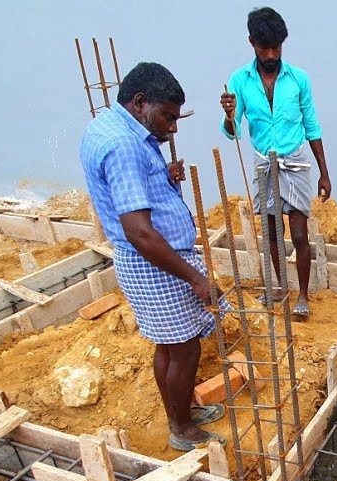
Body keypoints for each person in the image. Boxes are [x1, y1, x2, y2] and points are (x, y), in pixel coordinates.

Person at [79, 61, 229, 451]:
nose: (173, 127)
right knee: (185, 348)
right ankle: (182, 429)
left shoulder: (109, 127)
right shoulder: (123, 145)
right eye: (167, 117)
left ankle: (180, 413)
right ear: (140, 103)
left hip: (153, 260)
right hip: (154, 262)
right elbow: (139, 231)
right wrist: (195, 278)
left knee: (170, 345)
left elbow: (130, 193)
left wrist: (163, 176)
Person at [220, 6, 330, 318]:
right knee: (271, 233)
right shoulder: (240, 81)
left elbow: (312, 126)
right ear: (252, 42)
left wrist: (324, 173)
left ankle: (303, 296)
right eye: (264, 47)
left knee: (298, 234)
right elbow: (231, 131)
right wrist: (228, 114)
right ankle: (282, 287)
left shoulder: (298, 79)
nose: (271, 54)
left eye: (277, 47)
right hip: (263, 164)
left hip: (294, 162)